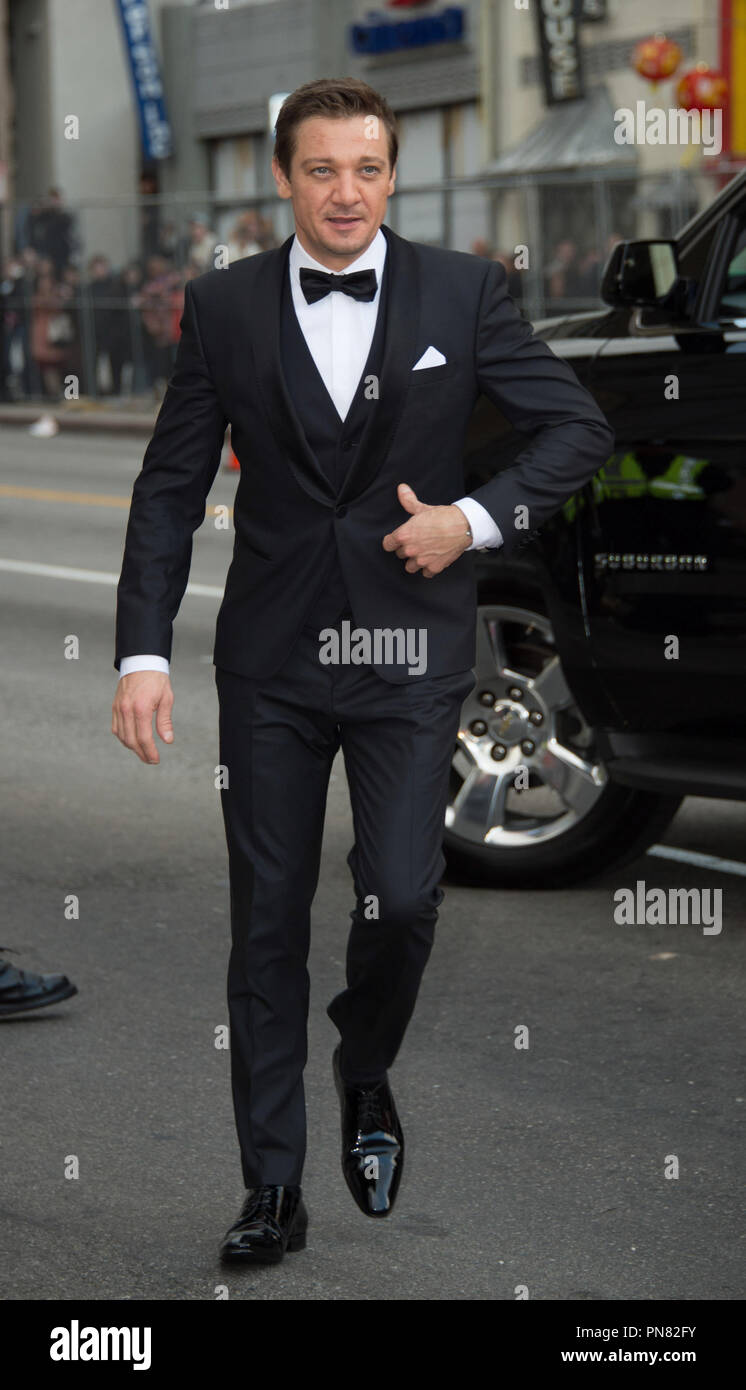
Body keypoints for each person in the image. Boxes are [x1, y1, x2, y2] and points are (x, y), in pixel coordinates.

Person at [111, 77, 614, 1266]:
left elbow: (575, 429)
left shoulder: (462, 289)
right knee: (267, 922)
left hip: (406, 651)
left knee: (401, 894)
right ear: (283, 178)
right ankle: (270, 1187)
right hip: (273, 665)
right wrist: (140, 649)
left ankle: (366, 1063)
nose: (348, 192)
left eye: (369, 170)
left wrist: (471, 522)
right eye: (323, 170)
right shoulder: (224, 307)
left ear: (393, 177)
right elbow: (170, 489)